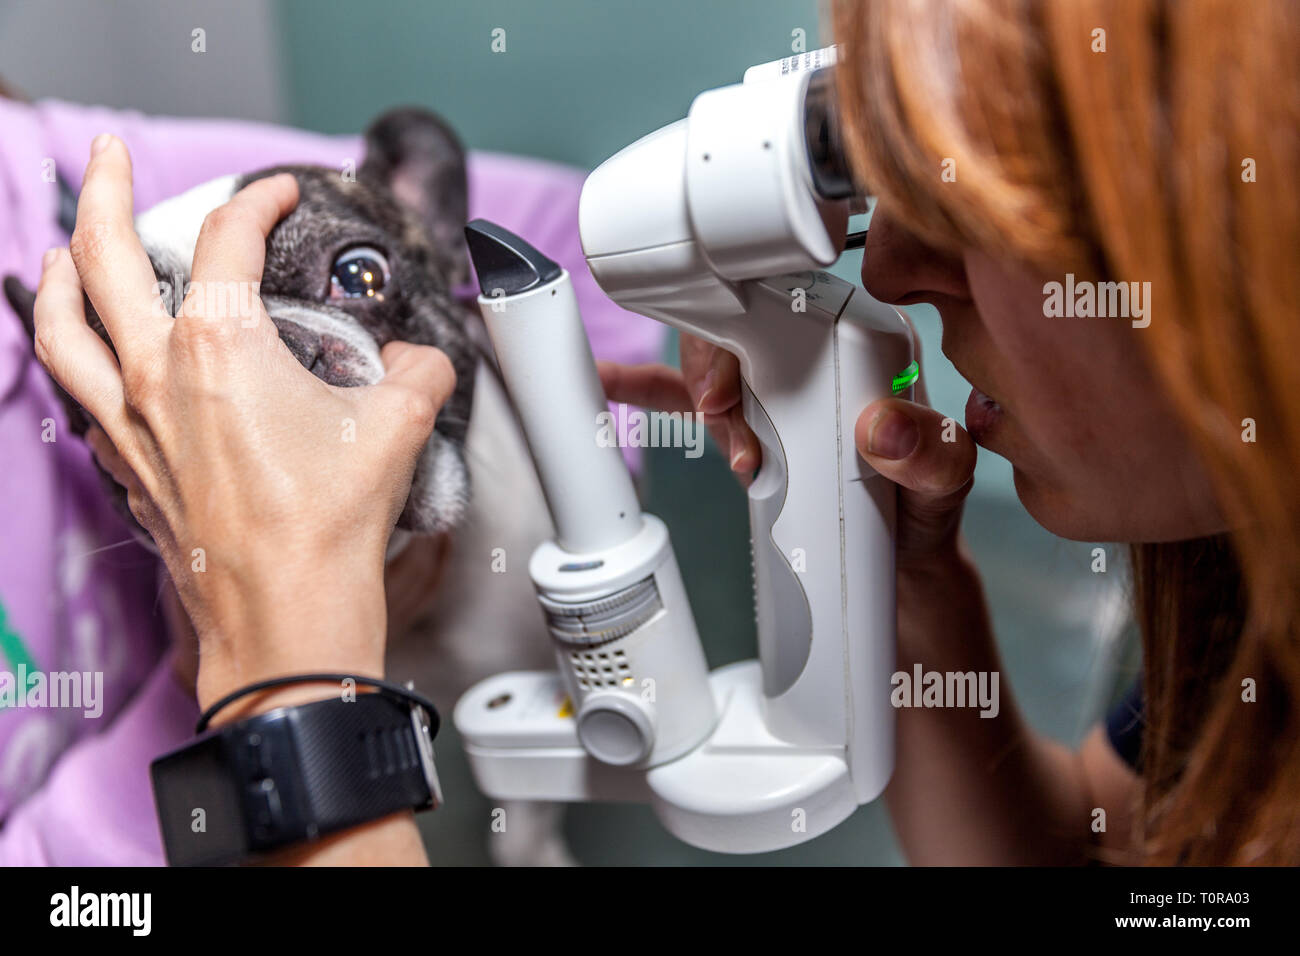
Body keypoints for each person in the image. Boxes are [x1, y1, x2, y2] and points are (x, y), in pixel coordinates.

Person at [604, 0, 1299, 865]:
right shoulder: (1253, 599)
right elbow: (1088, 841)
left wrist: (376, 752)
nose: (888, 272)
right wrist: (898, 574)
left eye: (984, 184)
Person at [0, 94, 663, 865]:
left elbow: (572, 234)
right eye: (169, 362)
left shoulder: (38, 172)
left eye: (355, 275)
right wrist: (228, 669)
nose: (278, 389)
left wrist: (591, 495)